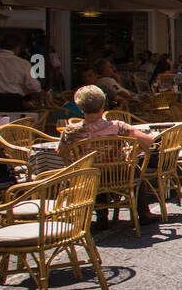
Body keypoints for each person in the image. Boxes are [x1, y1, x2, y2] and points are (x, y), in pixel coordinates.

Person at [59, 84, 158, 228]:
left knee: (96, 170)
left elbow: (61, 152)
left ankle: (102, 218)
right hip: (118, 174)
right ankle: (143, 212)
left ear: (80, 107)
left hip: (86, 176)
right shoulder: (117, 126)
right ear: (102, 105)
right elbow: (148, 141)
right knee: (133, 169)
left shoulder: (70, 131)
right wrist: (133, 153)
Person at [0, 33, 42, 111]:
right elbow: (35, 86)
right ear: (17, 47)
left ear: (1, 46)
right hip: (14, 105)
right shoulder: (23, 63)